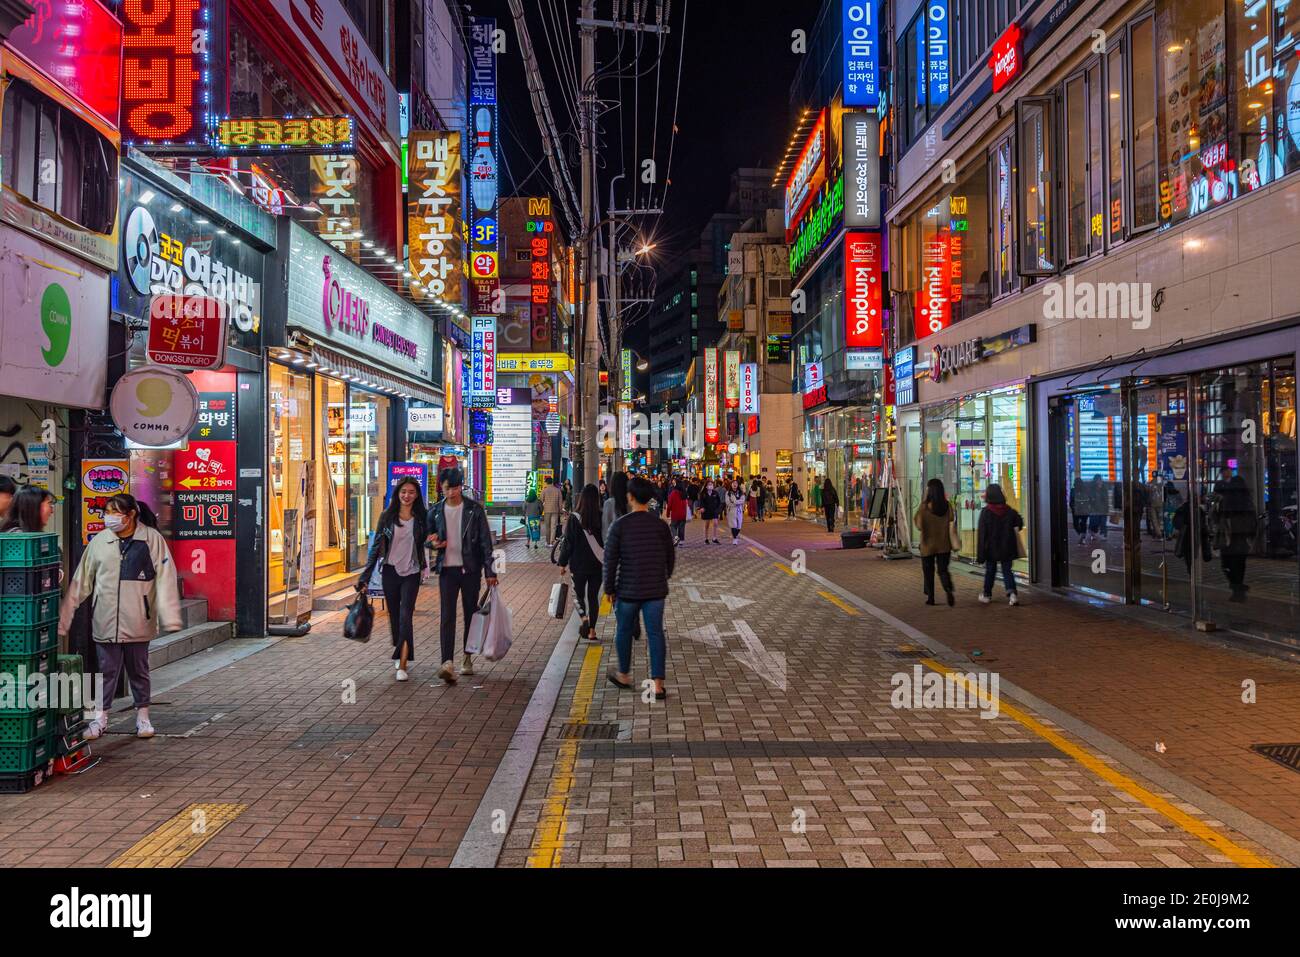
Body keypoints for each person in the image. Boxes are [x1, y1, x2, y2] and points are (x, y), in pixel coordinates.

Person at [58, 493, 182, 740]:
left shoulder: (152, 539)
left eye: (115, 512)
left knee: (139, 670)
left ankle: (143, 717)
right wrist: (66, 615)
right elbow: (82, 580)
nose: (109, 518)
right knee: (106, 671)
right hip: (105, 618)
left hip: (138, 618)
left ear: (131, 514)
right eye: (107, 512)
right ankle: (100, 718)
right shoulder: (100, 541)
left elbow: (166, 579)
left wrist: (171, 616)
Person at [603, 477, 675, 699]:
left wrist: (609, 588)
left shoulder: (620, 526)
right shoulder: (660, 526)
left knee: (624, 631)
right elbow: (670, 558)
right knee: (655, 634)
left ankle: (624, 675)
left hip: (628, 590)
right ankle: (658, 684)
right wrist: (663, 577)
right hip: (655, 591)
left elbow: (610, 560)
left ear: (630, 497)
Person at [427, 467, 498, 682]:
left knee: (470, 614)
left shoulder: (474, 510)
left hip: (470, 569)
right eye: (448, 488)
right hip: (447, 570)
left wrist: (490, 571)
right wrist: (433, 543)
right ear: (442, 488)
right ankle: (446, 661)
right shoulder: (435, 512)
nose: (452, 493)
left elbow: (486, 542)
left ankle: (467, 657)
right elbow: (426, 537)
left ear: (461, 486)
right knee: (447, 616)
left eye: (456, 488)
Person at [356, 476, 428, 682]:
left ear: (417, 495)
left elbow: (428, 540)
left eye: (411, 492)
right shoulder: (387, 516)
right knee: (395, 616)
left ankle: (402, 662)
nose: (407, 496)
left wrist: (434, 542)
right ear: (397, 494)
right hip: (390, 572)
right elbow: (376, 546)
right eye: (403, 492)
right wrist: (365, 576)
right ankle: (401, 648)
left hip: (412, 572)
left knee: (406, 616)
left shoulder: (422, 517)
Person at [558, 484, 605, 640]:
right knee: (593, 597)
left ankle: (584, 618)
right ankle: (592, 631)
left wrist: (562, 563)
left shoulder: (574, 518)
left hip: (578, 564)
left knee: (578, 595)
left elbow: (568, 543)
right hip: (597, 564)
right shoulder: (601, 515)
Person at [1210, 475, 1258, 602]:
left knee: (1226, 564)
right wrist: (1251, 536)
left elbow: (1216, 517)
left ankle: (1237, 588)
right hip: (1242, 539)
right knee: (1240, 564)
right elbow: (1253, 521)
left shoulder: (1226, 500)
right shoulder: (1247, 501)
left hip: (1229, 537)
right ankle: (1238, 588)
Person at [976, 483, 1024, 606]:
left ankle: (987, 594)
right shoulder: (1009, 511)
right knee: (1007, 570)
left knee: (990, 571)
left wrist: (980, 554)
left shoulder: (986, 513)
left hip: (991, 548)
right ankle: (1012, 594)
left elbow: (982, 535)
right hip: (1007, 547)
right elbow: (1019, 522)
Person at [914, 478, 957, 606]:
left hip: (928, 545)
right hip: (944, 544)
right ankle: (948, 589)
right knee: (943, 570)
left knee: (928, 572)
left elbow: (919, 525)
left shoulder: (924, 507)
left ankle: (931, 598)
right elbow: (951, 519)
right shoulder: (947, 505)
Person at [540, 475, 563, 546]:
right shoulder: (558, 490)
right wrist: (560, 511)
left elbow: (541, 501)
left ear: (547, 483)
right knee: (553, 526)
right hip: (555, 510)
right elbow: (560, 502)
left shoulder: (544, 490)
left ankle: (547, 542)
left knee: (548, 526)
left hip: (547, 510)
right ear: (552, 482)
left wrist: (542, 509)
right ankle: (552, 542)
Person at [698, 478, 723, 544]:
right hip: (706, 511)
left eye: (711, 484)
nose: (710, 486)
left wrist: (718, 510)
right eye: (709, 485)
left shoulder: (715, 493)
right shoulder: (703, 493)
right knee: (707, 524)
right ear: (706, 486)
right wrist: (702, 508)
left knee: (715, 523)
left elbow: (719, 502)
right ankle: (706, 538)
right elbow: (701, 502)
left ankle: (714, 538)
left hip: (714, 510)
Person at [665, 478, 689, 546]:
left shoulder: (674, 493)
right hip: (683, 514)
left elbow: (669, 504)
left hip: (675, 513)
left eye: (675, 483)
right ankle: (681, 542)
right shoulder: (684, 493)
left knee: (673, 526)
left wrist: (667, 513)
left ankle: (675, 537)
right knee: (681, 527)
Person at [725, 479, 746, 544]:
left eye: (736, 483)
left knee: (739, 525)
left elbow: (742, 500)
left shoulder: (740, 492)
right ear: (731, 484)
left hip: (739, 510)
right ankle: (735, 538)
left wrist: (736, 502)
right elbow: (727, 502)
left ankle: (735, 535)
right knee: (733, 525)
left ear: (738, 485)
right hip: (731, 510)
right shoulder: (728, 493)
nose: (734, 484)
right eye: (733, 483)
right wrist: (735, 503)